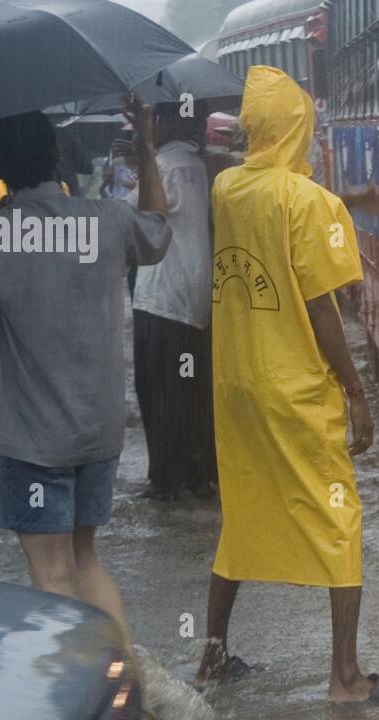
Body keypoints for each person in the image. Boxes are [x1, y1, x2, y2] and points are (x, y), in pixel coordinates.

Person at [194, 67, 379, 705]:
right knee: (340, 521)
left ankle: (212, 659)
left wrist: (352, 199)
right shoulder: (309, 203)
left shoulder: (226, 188)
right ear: (298, 130)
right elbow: (321, 308)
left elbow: (279, 199)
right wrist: (357, 390)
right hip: (294, 390)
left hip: (237, 387)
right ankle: (347, 678)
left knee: (242, 516)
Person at [0, 104, 171, 638]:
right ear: (56, 153)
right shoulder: (109, 219)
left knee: (52, 576)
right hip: (98, 430)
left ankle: (81, 707)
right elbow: (160, 231)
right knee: (84, 561)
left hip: (33, 437)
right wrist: (145, 148)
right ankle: (128, 684)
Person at [129, 102, 217, 500]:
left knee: (158, 391)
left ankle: (165, 479)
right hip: (196, 303)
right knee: (190, 388)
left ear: (164, 121)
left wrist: (143, 151)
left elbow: (142, 215)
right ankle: (197, 473)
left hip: (161, 301)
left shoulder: (164, 165)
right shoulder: (204, 167)